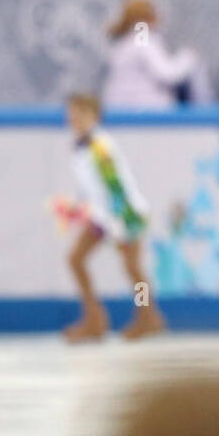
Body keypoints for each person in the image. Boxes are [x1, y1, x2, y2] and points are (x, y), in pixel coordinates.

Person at [60, 93, 166, 342]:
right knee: (76, 260)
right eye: (73, 112)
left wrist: (119, 224)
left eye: (82, 113)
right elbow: (92, 190)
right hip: (102, 217)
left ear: (95, 116)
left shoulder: (100, 147)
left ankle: (148, 316)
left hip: (124, 215)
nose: (75, 118)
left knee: (132, 268)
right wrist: (76, 210)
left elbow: (115, 188)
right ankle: (94, 317)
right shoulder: (80, 148)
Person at [101, 0, 210, 109]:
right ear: (149, 17)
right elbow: (167, 74)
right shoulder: (143, 39)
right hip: (146, 110)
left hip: (118, 108)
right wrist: (188, 57)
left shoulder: (123, 42)